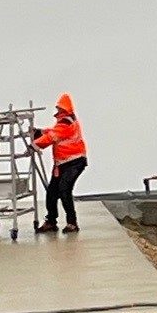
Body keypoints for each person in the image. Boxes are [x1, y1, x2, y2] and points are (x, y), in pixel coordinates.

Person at [33, 93, 88, 232]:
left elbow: (53, 136)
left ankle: (72, 223)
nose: (57, 111)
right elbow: (53, 131)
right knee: (52, 192)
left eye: (59, 108)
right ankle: (51, 221)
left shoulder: (66, 121)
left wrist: (34, 145)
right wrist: (40, 132)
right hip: (63, 163)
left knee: (64, 189)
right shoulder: (65, 121)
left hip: (74, 161)